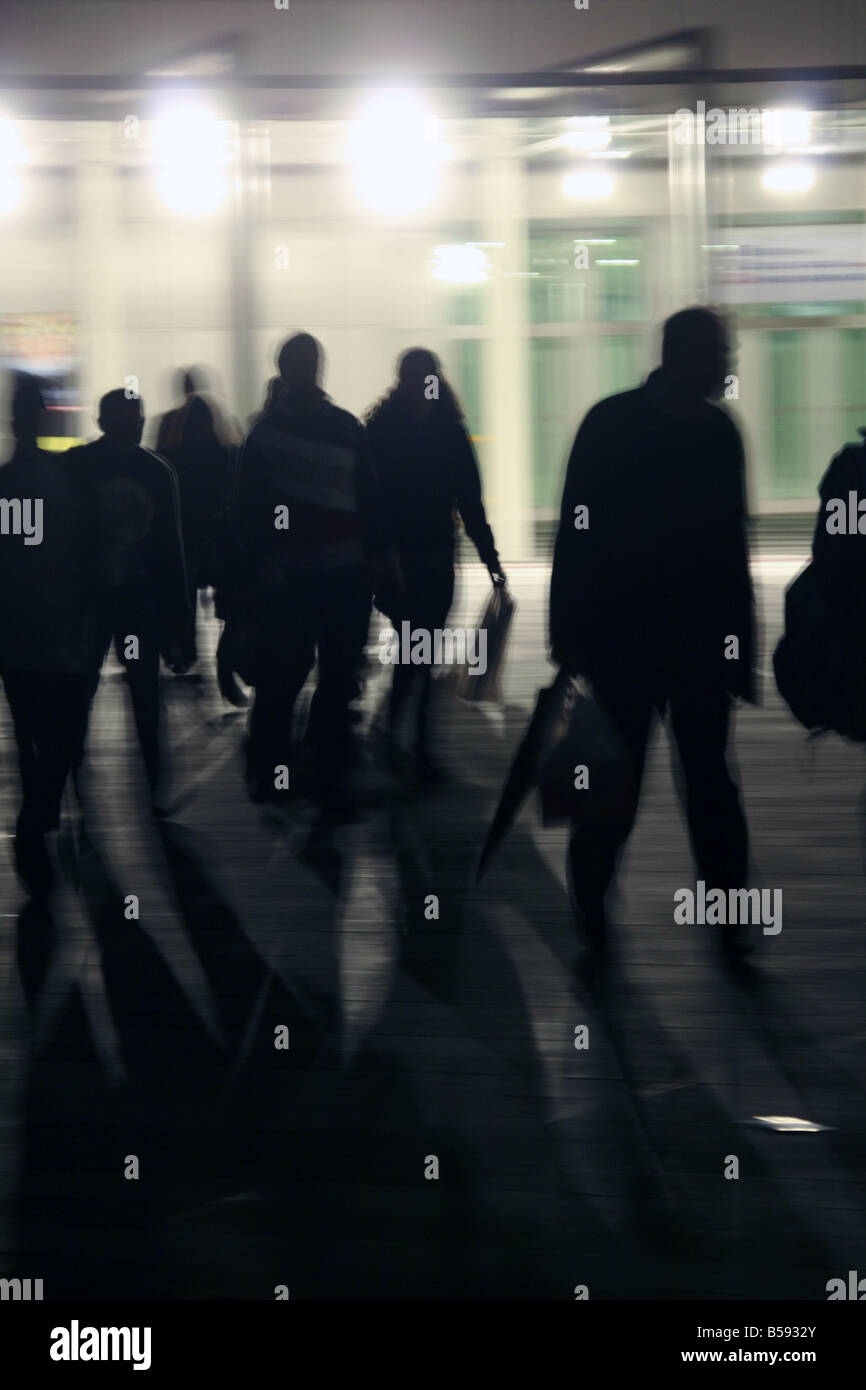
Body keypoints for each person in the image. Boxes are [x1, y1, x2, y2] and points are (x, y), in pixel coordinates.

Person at [549, 306, 756, 949]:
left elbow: (576, 531)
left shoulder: (612, 423)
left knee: (626, 778)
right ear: (684, 355)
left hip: (629, 639)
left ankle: (593, 902)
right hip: (658, 640)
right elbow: (730, 547)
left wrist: (571, 630)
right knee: (702, 782)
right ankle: (719, 915)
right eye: (719, 352)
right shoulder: (714, 434)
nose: (728, 365)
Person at [236, 333, 382, 815]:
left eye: (308, 362)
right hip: (324, 573)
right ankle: (316, 770)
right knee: (316, 675)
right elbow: (369, 502)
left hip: (308, 574)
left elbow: (250, 510)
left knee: (298, 677)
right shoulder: (342, 429)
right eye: (301, 363)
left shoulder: (270, 434)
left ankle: (284, 770)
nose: (307, 370)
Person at [364, 347, 506, 782]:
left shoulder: (381, 430)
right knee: (420, 651)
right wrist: (489, 558)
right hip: (426, 557)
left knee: (416, 650)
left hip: (406, 558)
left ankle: (400, 737)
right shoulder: (449, 432)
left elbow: (370, 501)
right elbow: (470, 501)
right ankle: (415, 744)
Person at [69, 390, 192, 811]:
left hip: (93, 599)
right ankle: (155, 781)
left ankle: (71, 773)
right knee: (144, 692)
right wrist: (181, 627)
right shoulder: (156, 472)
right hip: (139, 602)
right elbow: (172, 553)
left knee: (81, 688)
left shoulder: (79, 466)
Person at [0, 374, 96, 898]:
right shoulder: (65, 480)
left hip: (19, 628)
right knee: (61, 730)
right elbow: (81, 553)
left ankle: (37, 811)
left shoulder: (8, 484)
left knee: (30, 730)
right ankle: (41, 808)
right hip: (58, 624)